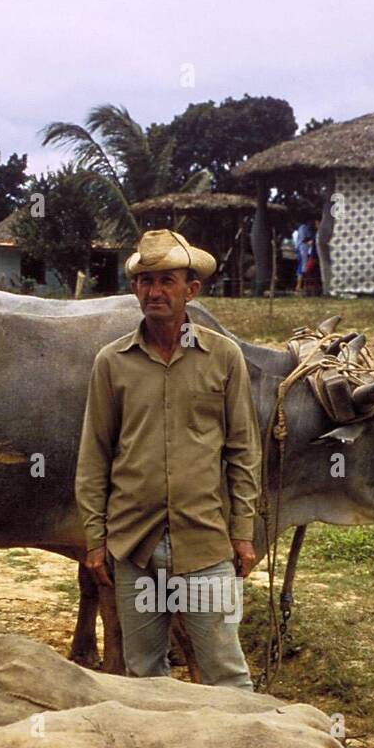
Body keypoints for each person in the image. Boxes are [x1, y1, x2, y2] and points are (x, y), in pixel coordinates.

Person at [75, 229, 261, 689]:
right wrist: (96, 540)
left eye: (166, 282)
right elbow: (94, 455)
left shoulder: (224, 358)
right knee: (144, 673)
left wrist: (242, 532)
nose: (154, 292)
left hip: (204, 542)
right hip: (133, 544)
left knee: (226, 672)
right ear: (135, 289)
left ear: (190, 290)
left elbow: (242, 451)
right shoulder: (111, 362)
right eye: (145, 282)